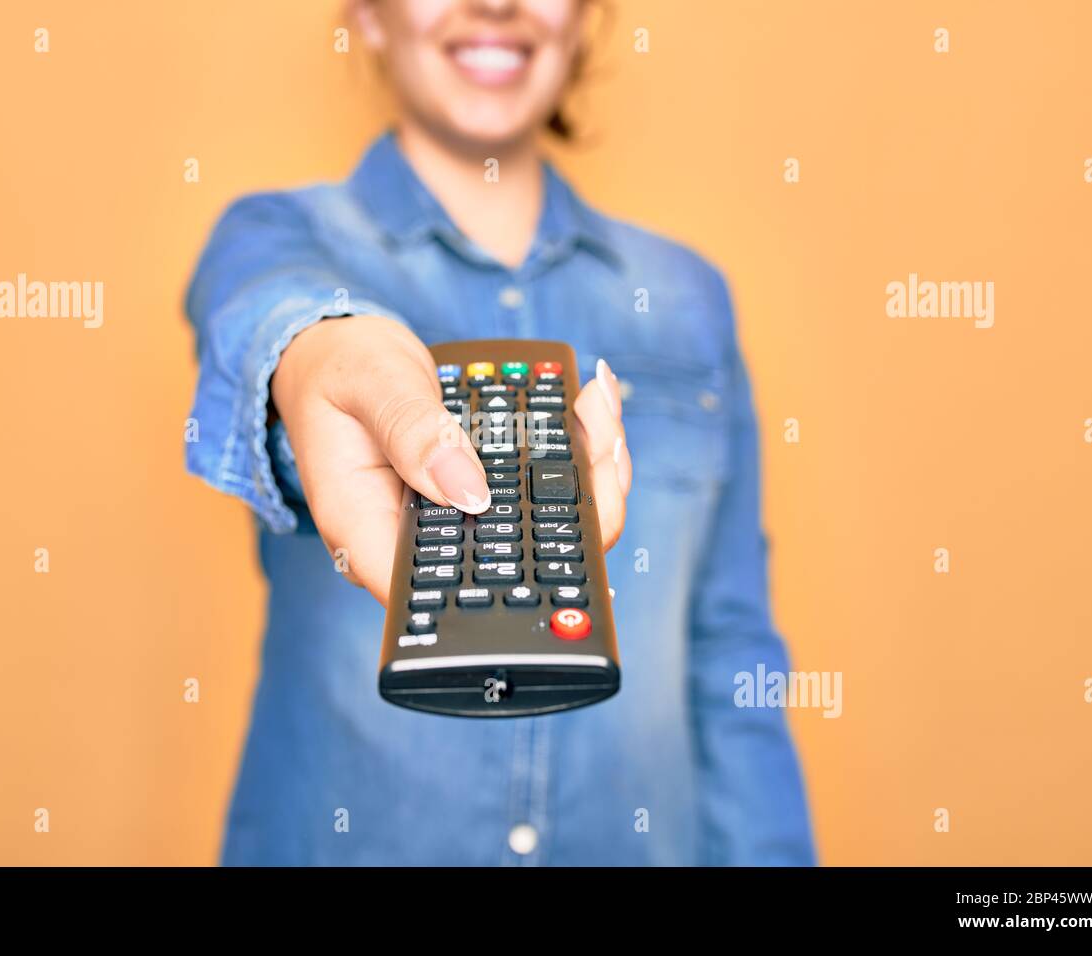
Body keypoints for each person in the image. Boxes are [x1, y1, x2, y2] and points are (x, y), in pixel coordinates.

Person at [185, 0, 814, 865]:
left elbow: (729, 652)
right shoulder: (279, 237)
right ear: (367, 15)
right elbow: (259, 307)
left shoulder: (687, 298)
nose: (496, 2)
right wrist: (319, 355)